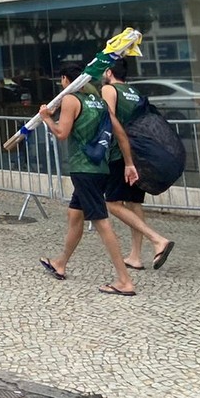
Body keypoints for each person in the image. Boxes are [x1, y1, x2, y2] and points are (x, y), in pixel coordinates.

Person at [39, 63, 135, 295]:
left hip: (84, 169)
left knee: (101, 221)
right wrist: (129, 163)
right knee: (75, 215)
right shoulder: (100, 102)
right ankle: (60, 262)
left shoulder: (72, 100)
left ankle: (124, 280)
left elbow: (62, 133)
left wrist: (46, 118)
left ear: (65, 79)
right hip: (101, 168)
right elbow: (120, 134)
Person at [101, 60, 175, 270]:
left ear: (109, 71)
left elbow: (110, 120)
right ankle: (135, 255)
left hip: (121, 154)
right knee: (134, 204)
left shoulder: (109, 89)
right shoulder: (134, 91)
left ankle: (157, 239)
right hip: (139, 154)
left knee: (113, 204)